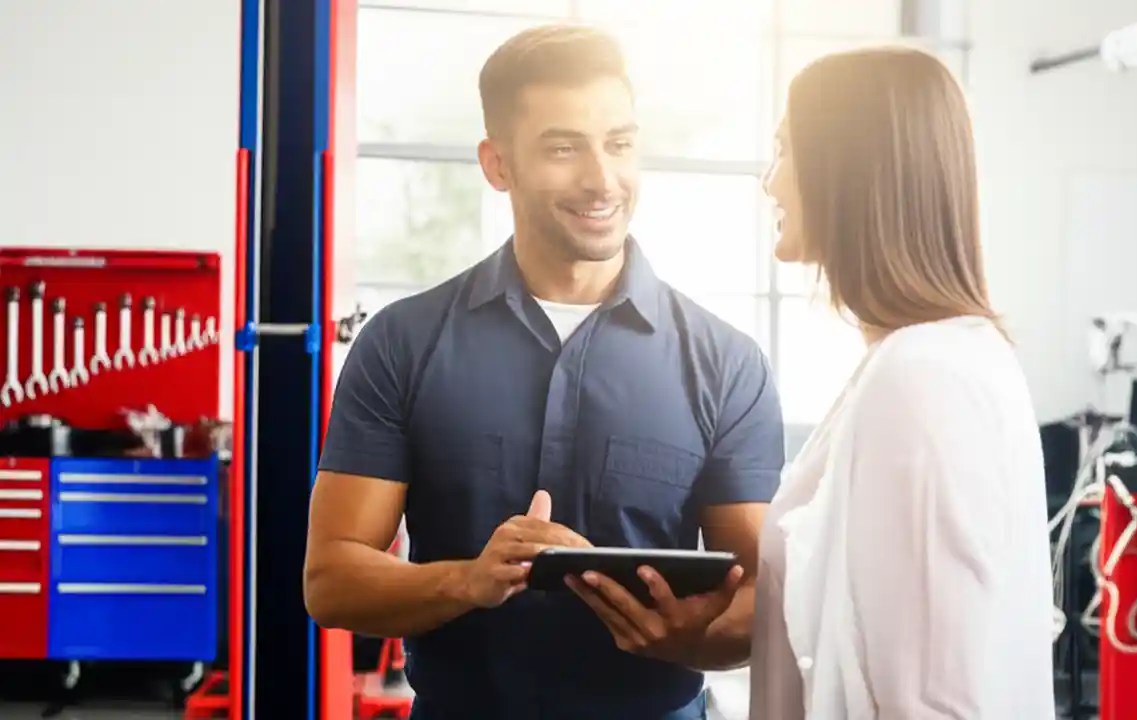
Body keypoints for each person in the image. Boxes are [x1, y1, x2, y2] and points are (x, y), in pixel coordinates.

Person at [303, 24, 785, 720]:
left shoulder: (726, 363)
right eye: (564, 148)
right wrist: (467, 582)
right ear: (497, 165)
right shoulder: (403, 344)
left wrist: (688, 638)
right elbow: (332, 579)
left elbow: (759, 597)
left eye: (619, 144)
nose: (601, 178)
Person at [750, 47, 1056, 719]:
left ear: (849, 169)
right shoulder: (932, 359)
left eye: (784, 150)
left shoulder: (919, 376)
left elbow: (935, 699)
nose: (770, 182)